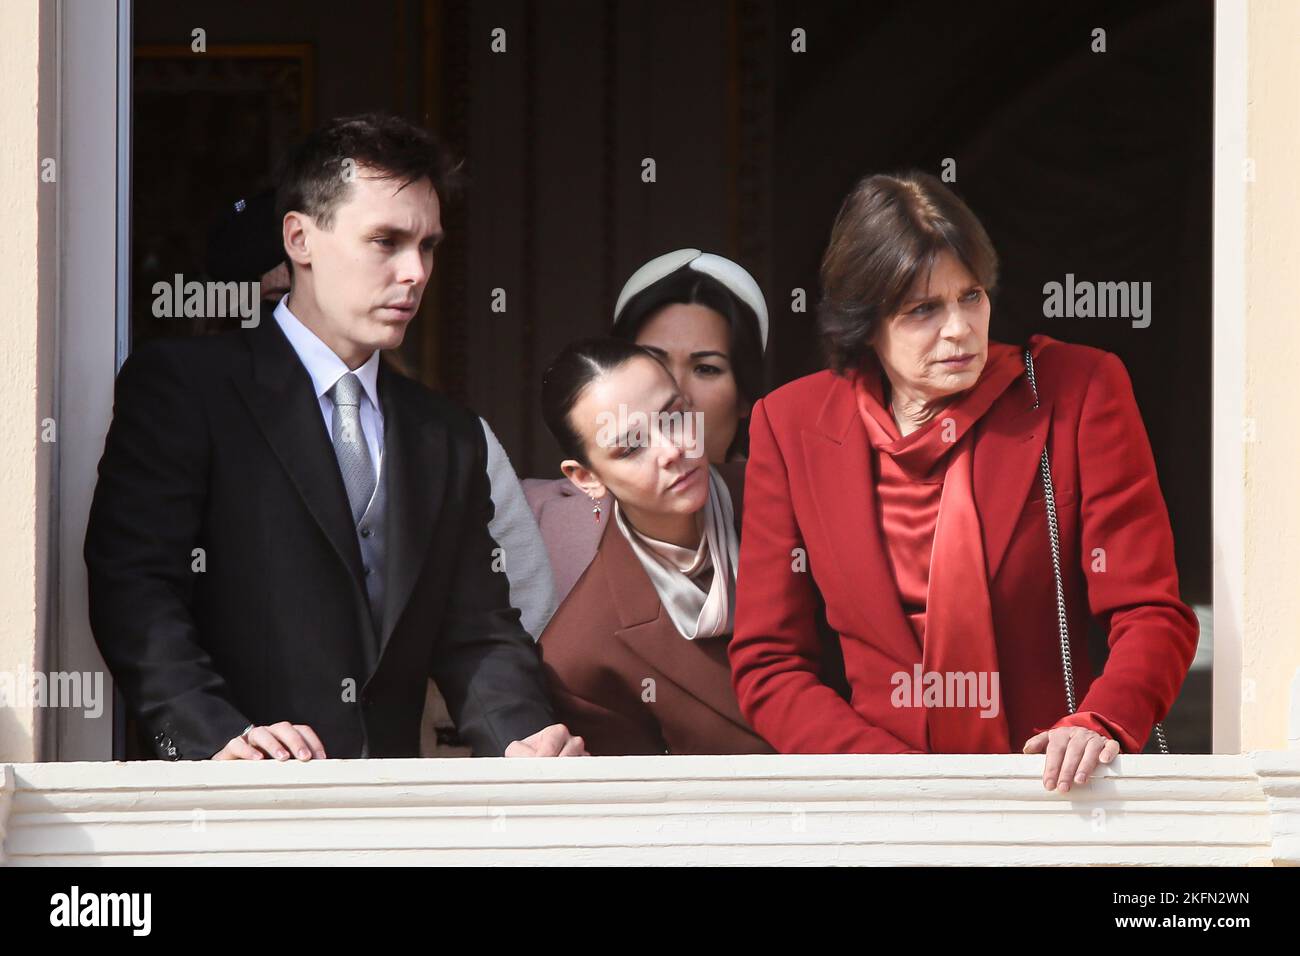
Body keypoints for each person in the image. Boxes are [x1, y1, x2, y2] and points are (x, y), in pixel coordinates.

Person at [85, 113, 582, 760]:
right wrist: (214, 737)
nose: (415, 272)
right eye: (385, 240)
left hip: (390, 819)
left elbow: (477, 633)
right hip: (225, 818)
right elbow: (135, 587)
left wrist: (521, 740)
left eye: (427, 245)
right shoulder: (184, 388)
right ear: (300, 238)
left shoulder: (448, 436)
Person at [728, 171, 1198, 792]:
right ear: (864, 323)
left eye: (970, 296)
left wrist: (1098, 721)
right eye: (924, 309)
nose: (959, 329)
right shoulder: (791, 424)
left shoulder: (1077, 389)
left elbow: (1151, 610)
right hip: (878, 805)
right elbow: (770, 664)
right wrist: (892, 780)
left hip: (1055, 790)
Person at [535, 339, 773, 755]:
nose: (673, 450)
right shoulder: (581, 655)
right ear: (586, 477)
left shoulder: (791, 497)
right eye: (631, 447)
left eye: (675, 417)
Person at [525, 249, 768, 607]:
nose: (677, 388)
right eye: (654, 361)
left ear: (745, 395)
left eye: (706, 369)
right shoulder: (534, 517)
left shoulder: (790, 508)